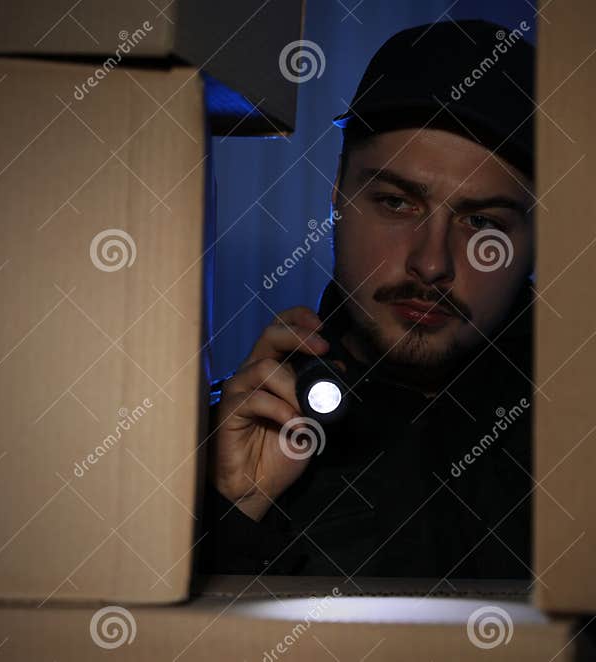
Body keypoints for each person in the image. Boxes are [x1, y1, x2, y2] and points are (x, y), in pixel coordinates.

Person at [200, 18, 537, 579]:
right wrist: (234, 514)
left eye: (481, 222)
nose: (431, 263)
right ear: (337, 192)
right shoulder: (208, 451)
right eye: (397, 203)